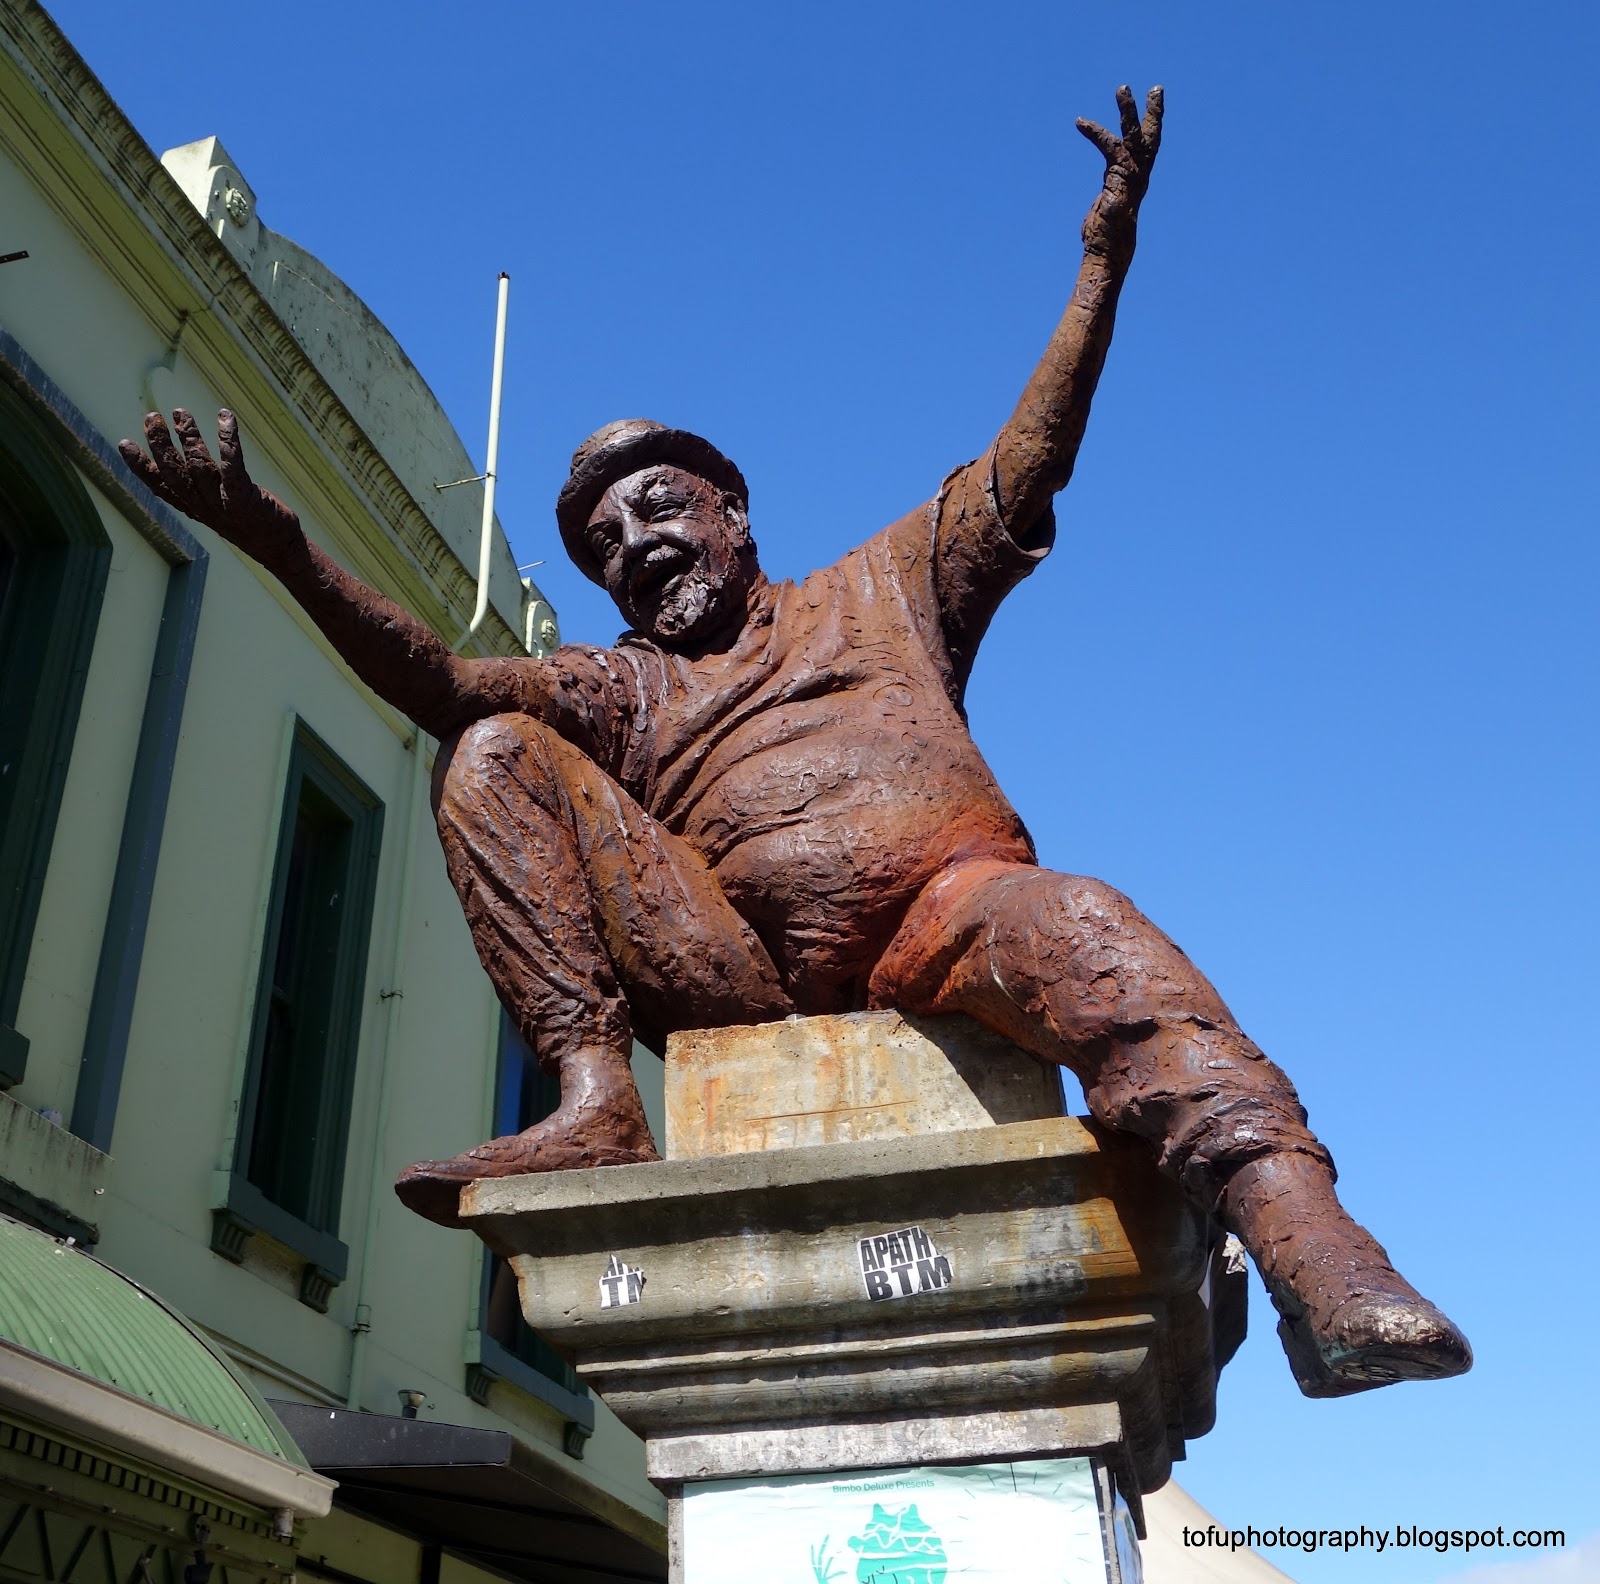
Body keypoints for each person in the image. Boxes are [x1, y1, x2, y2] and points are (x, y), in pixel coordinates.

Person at [121, 88, 1469, 1399]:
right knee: (485, 752)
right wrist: (278, 538)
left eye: (659, 508)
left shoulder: (888, 584)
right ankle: (594, 1098)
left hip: (947, 913)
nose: (636, 547)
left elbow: (1029, 456)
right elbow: (436, 676)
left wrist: (1101, 265)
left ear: (734, 509)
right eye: (603, 547)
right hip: (731, 962)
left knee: (1092, 933)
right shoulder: (627, 686)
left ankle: (1315, 1250)